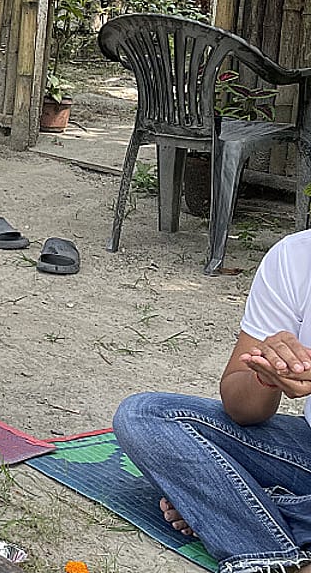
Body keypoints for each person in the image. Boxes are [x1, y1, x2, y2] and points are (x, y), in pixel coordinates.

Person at [114, 229, 311, 573]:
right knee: (144, 416)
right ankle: (275, 559)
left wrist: (204, 497)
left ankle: (227, 509)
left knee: (210, 492)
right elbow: (241, 407)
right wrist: (268, 374)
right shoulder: (294, 258)